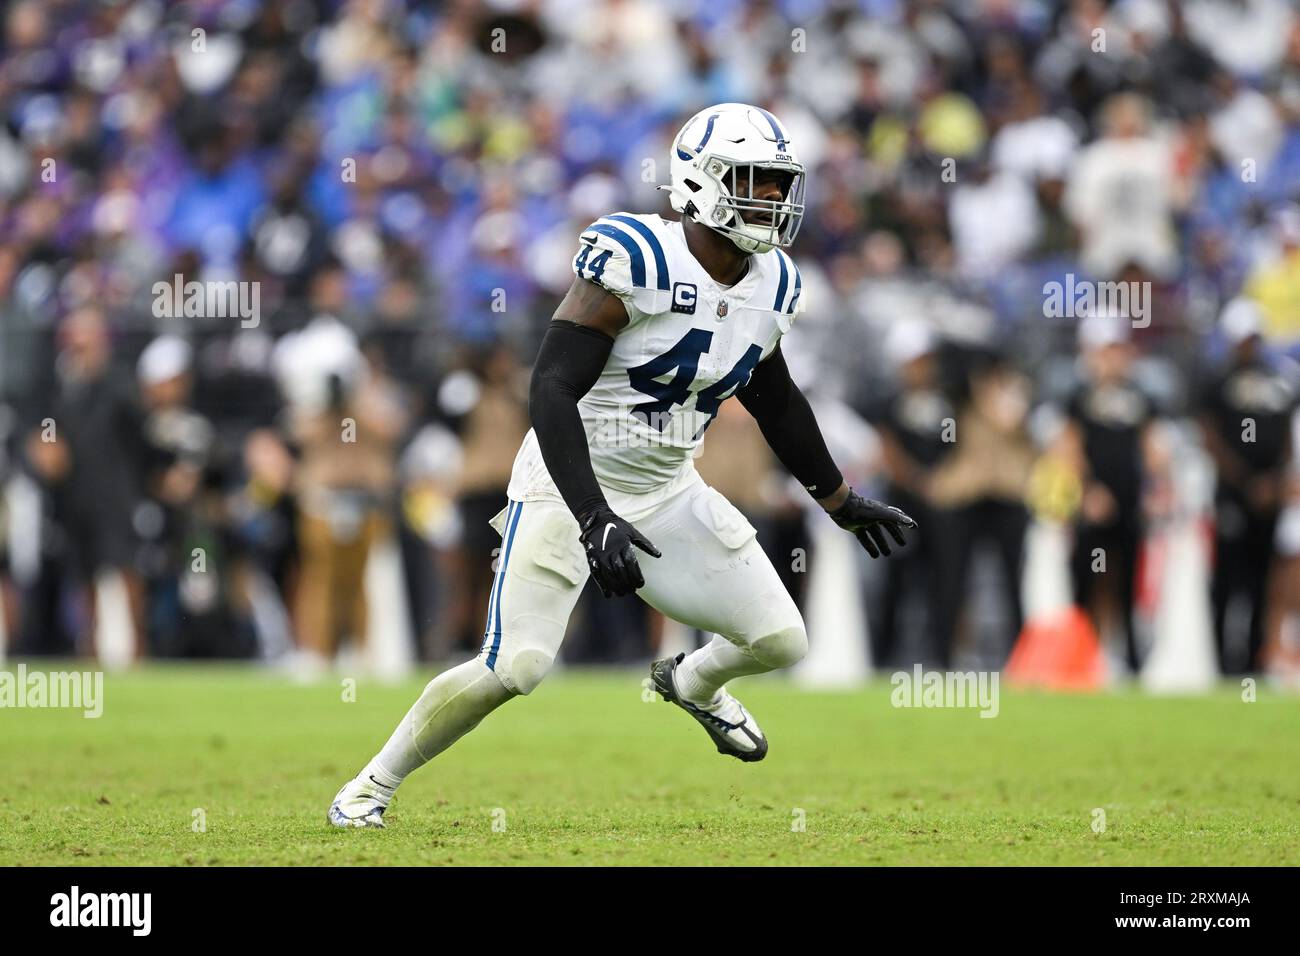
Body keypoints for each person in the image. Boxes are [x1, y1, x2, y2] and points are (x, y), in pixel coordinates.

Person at [329, 103, 916, 828]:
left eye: (777, 184)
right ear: (700, 183)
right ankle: (370, 786)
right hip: (565, 480)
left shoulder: (775, 284)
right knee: (515, 667)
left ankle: (691, 684)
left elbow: (776, 397)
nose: (769, 198)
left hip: (666, 489)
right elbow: (550, 388)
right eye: (752, 181)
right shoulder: (635, 255)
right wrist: (589, 513)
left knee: (780, 639)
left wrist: (838, 497)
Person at [1198, 298, 1295, 674]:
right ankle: (1223, 664)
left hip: (1268, 497)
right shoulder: (1218, 382)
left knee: (1262, 579)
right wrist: (1247, 482)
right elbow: (1210, 438)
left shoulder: (1280, 382)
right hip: (1232, 496)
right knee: (1226, 580)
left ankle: (1254, 661)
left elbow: (1287, 436)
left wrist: (1273, 481)